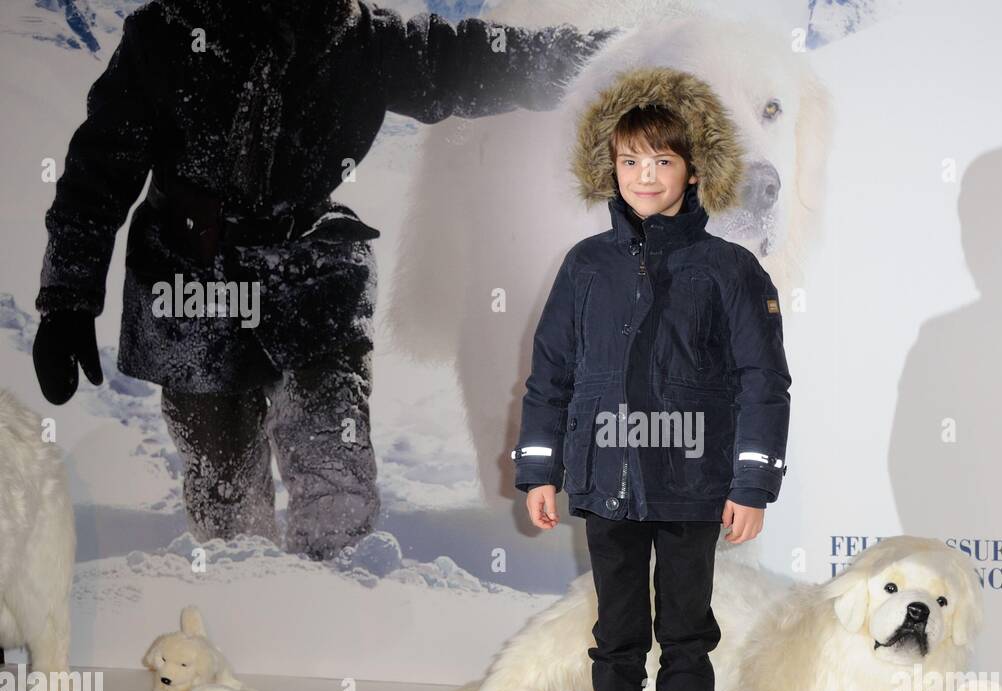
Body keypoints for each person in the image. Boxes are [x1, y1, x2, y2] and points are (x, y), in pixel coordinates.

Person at [33, 0, 611, 559]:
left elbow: (472, 59)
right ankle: (245, 605)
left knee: (336, 476)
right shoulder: (166, 31)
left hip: (313, 281)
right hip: (192, 280)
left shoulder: (361, 36)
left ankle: (333, 594)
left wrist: (605, 59)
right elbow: (97, 175)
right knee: (225, 490)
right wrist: (66, 300)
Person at [512, 67, 793, 691]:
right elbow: (551, 376)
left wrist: (752, 482)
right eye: (631, 161)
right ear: (613, 168)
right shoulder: (586, 267)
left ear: (692, 171)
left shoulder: (729, 270)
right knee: (617, 633)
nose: (645, 176)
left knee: (687, 629)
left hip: (693, 484)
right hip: (607, 483)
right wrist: (539, 469)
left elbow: (763, 383)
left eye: (662, 161)